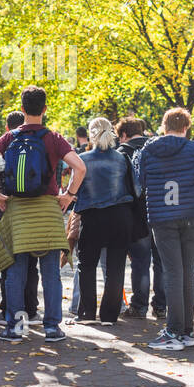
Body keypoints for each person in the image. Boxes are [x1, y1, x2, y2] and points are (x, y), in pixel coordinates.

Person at [0, 86, 85, 343]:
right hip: (48, 211)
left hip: (17, 210)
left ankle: (15, 327)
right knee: (50, 272)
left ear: (22, 107)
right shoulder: (54, 138)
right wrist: (69, 195)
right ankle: (52, 328)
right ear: (45, 109)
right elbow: (80, 168)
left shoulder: (8, 137)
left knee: (16, 271)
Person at [134, 107, 194, 350]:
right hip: (189, 215)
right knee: (188, 273)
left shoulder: (149, 149)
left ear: (164, 126)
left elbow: (140, 178)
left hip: (161, 216)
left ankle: (174, 331)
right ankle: (187, 330)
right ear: (186, 127)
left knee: (173, 273)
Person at [71, 117, 134, 325]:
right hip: (120, 216)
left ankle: (87, 313)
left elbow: (75, 191)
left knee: (86, 266)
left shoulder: (83, 160)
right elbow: (136, 187)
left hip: (92, 217)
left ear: (91, 134)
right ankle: (109, 315)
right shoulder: (122, 159)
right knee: (116, 268)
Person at [0, 110, 42, 326]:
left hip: (6, 210)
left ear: (7, 127)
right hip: (33, 212)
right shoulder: (38, 145)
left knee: (7, 263)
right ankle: (31, 309)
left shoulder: (3, 147)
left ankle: (8, 310)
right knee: (31, 264)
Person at [116, 116, 161, 319]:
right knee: (161, 262)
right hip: (161, 211)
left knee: (140, 262)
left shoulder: (121, 153)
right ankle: (161, 306)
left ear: (124, 135)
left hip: (135, 214)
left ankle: (139, 305)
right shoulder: (158, 148)